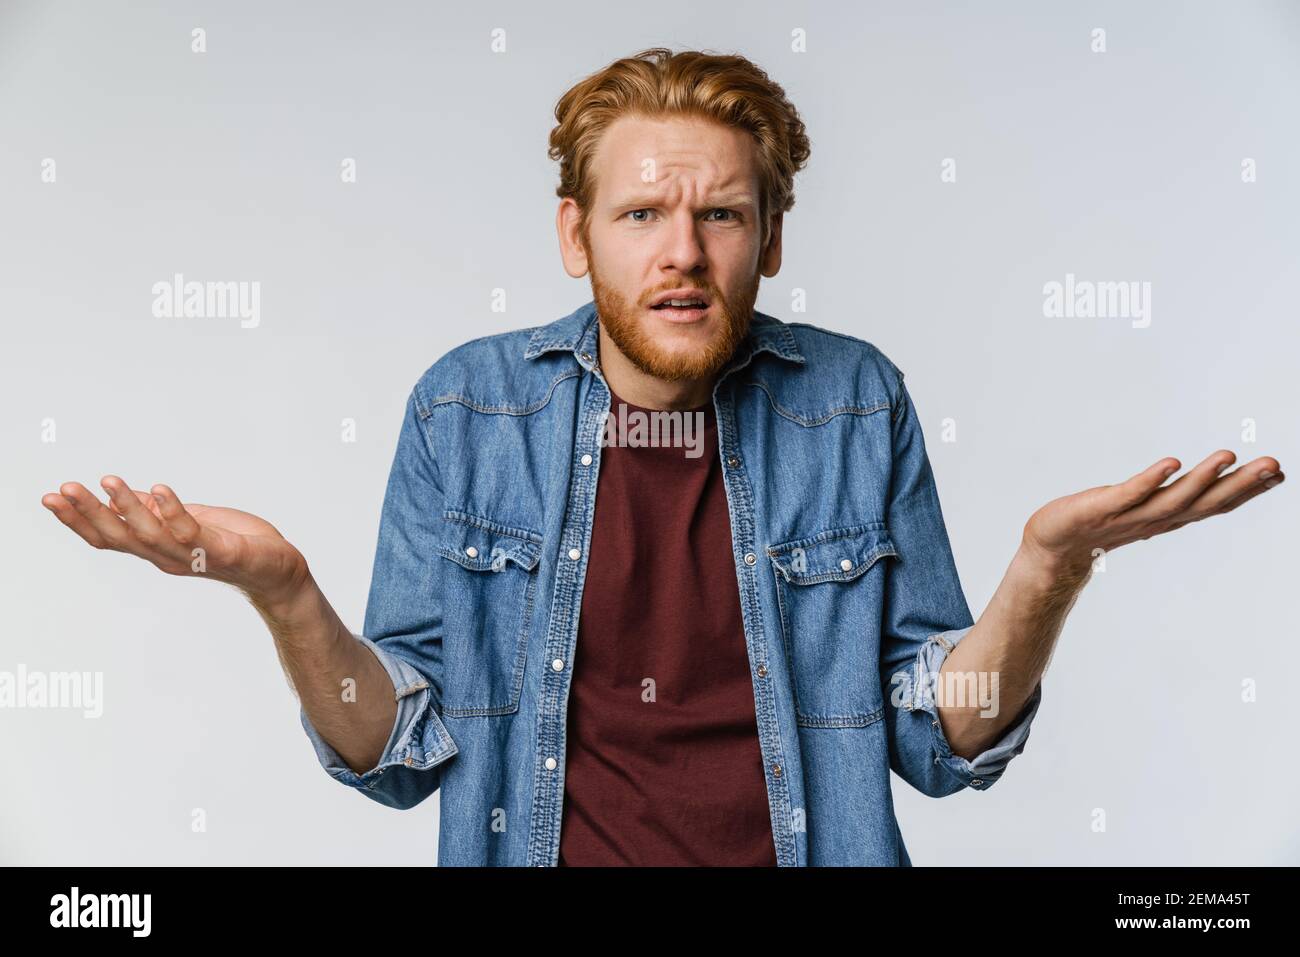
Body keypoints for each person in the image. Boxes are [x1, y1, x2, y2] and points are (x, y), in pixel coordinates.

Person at [41, 48, 1284, 866]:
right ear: (577, 235)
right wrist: (284, 590)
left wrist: (1044, 570)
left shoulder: (853, 401)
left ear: (770, 238)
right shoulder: (466, 410)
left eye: (721, 214)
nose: (681, 252)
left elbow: (938, 743)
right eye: (642, 214)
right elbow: (398, 753)